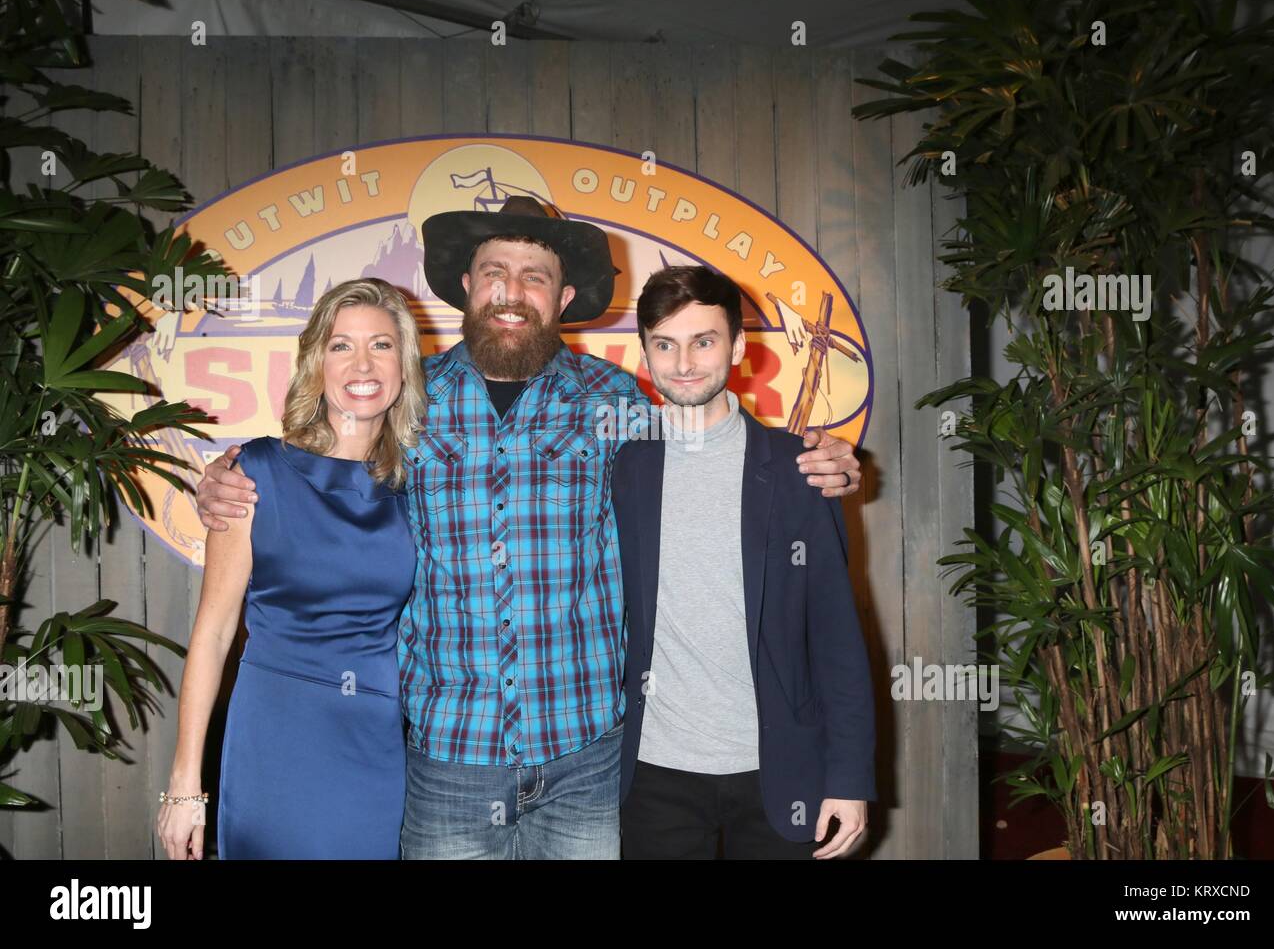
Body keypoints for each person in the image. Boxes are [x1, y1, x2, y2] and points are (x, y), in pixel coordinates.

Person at [195, 195, 863, 860]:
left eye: (534, 277)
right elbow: (315, 476)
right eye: (493, 273)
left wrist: (819, 460)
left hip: (585, 761)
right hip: (447, 759)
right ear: (466, 285)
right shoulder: (405, 403)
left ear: (564, 295)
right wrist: (227, 477)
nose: (510, 292)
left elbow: (724, 455)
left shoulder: (621, 404)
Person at [157, 278, 426, 859]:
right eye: (341, 345)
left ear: (404, 364)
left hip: (374, 740)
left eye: (381, 345)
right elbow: (214, 632)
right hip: (273, 737)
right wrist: (184, 785)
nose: (363, 363)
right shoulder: (256, 472)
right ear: (315, 364)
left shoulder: (418, 486)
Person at [614, 265, 874, 859]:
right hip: (654, 773)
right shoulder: (623, 467)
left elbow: (836, 635)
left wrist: (850, 779)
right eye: (665, 344)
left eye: (703, 341)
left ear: (736, 347)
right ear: (646, 352)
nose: (683, 363)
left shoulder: (800, 469)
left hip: (777, 768)